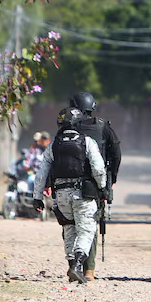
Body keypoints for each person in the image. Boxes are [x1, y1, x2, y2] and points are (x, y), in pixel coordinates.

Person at [30, 108, 106, 284]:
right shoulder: (87, 142)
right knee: (87, 230)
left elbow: (41, 173)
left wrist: (37, 197)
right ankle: (78, 265)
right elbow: (98, 168)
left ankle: (72, 265)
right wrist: (102, 189)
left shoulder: (53, 145)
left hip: (60, 195)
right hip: (83, 194)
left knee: (69, 229)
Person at [68, 91, 122, 281]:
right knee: (90, 225)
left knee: (71, 226)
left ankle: (73, 265)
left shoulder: (68, 127)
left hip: (68, 185)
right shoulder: (103, 127)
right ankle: (88, 270)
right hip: (96, 185)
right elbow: (116, 154)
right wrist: (111, 179)